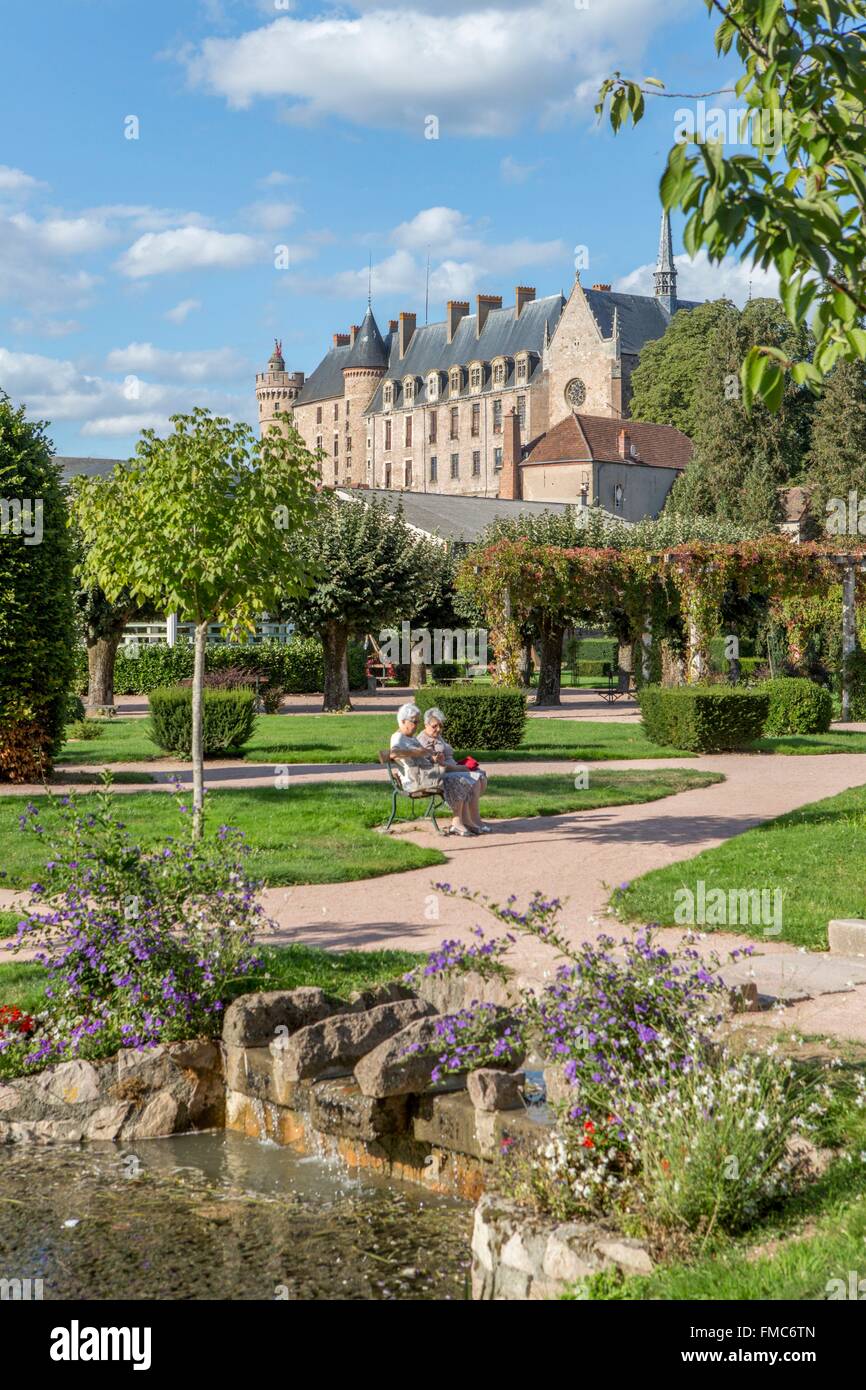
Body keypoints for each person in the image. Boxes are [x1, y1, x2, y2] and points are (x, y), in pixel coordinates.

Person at [417, 705, 490, 835]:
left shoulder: (438, 737)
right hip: (439, 774)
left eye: (440, 726)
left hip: (452, 769)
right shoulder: (423, 740)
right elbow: (436, 765)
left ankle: (471, 819)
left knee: (480, 776)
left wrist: (460, 766)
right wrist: (460, 767)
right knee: (472, 779)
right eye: (435, 726)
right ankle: (469, 820)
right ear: (425, 724)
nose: (438, 729)